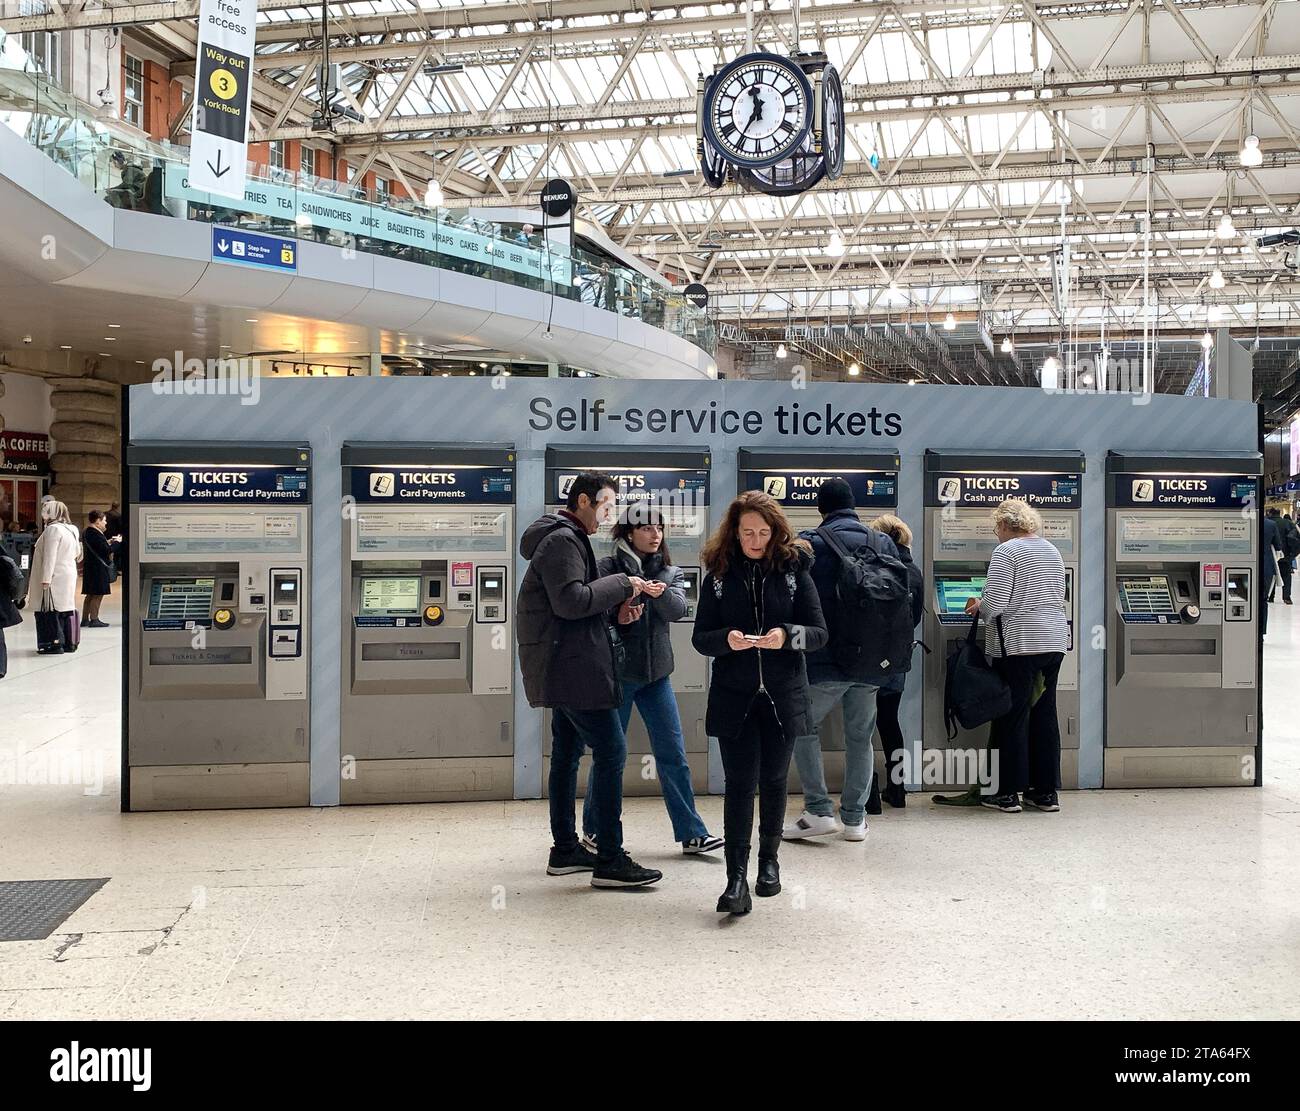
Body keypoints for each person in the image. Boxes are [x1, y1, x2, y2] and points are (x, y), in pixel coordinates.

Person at [517, 472, 663, 889]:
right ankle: (611, 860)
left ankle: (565, 849)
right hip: (574, 669)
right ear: (583, 501)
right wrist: (623, 583)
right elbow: (571, 601)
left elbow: (574, 604)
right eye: (605, 505)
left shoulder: (561, 536)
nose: (609, 514)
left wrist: (614, 612)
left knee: (566, 753)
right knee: (612, 750)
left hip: (564, 663)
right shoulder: (564, 539)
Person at [693, 491, 828, 916]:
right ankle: (735, 878)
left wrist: (786, 635)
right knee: (739, 786)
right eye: (747, 532)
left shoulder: (794, 572)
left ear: (776, 533)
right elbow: (701, 639)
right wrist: (727, 640)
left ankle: (768, 863)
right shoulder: (717, 575)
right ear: (734, 532)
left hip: (783, 696)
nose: (755, 540)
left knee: (773, 782)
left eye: (763, 533)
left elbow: (820, 633)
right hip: (736, 697)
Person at [581, 502, 723, 855]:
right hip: (618, 675)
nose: (655, 534)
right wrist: (622, 605)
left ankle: (692, 832)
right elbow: (594, 614)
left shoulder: (670, 572)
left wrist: (653, 592)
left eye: (659, 528)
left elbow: (678, 610)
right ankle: (594, 831)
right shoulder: (608, 568)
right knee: (610, 755)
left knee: (673, 753)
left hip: (657, 676)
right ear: (629, 532)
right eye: (646, 528)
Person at [783, 478, 901, 842]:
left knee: (802, 728)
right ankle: (854, 819)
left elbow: (791, 594)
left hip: (824, 658)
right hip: (871, 660)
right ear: (853, 506)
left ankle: (819, 810)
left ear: (822, 508)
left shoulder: (810, 543)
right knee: (860, 737)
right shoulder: (881, 541)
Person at [964, 498, 1069, 813]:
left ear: (1005, 524)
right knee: (1044, 714)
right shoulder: (1051, 549)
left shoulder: (1007, 551)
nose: (996, 533)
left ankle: (1006, 793)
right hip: (1053, 640)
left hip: (1021, 643)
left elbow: (995, 602)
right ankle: (1045, 792)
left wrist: (976, 607)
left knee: (1012, 716)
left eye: (997, 526)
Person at [866, 513, 925, 810]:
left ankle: (868, 795)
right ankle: (897, 789)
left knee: (862, 723)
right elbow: (915, 617)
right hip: (899, 657)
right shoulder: (913, 571)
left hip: (868, 657)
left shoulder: (873, 567)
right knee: (890, 722)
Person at [32, 499, 81, 651]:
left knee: (49, 610)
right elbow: (78, 553)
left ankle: (52, 643)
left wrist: (46, 579)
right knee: (65, 609)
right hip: (68, 572)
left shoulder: (53, 530)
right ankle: (68, 642)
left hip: (54, 575)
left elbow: (50, 556)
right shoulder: (72, 529)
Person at [81, 509, 120, 628]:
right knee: (97, 594)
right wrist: (117, 543)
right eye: (104, 521)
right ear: (98, 521)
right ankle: (94, 618)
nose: (105, 523)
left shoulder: (88, 532)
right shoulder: (94, 533)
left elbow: (98, 546)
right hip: (98, 568)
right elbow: (106, 550)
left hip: (91, 567)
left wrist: (108, 541)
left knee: (90, 594)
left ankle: (85, 619)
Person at [1266, 508, 1298, 604]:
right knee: (1286, 576)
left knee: (1271, 576)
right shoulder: (1288, 523)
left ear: (1270, 513)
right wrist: (1293, 553)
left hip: (1271, 555)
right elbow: (1295, 538)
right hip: (1285, 555)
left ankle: (1270, 596)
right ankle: (1286, 597)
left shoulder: (1268, 523)